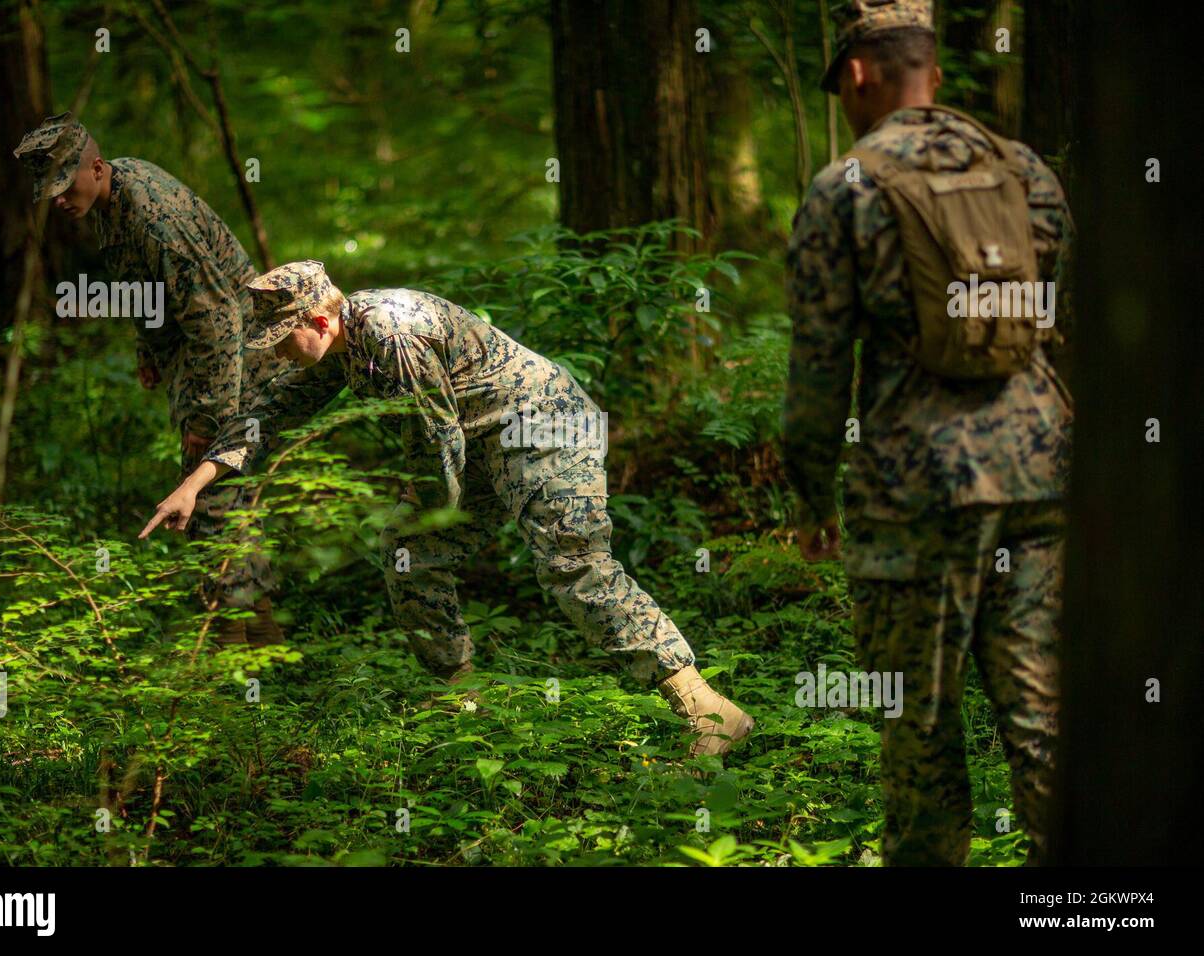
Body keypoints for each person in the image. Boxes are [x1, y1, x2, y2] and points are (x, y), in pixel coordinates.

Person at [140, 261, 754, 757]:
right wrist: (196, 481)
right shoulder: (342, 343)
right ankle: (465, 710)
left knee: (573, 564)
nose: (277, 354)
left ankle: (708, 710)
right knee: (409, 552)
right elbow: (271, 412)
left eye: (282, 341)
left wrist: (426, 504)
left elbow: (435, 440)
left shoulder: (390, 331)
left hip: (544, 426)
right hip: (481, 439)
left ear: (321, 319)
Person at [783, 0, 1075, 862]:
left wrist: (811, 493)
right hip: (1042, 478)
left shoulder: (845, 188)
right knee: (1044, 716)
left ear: (859, 74)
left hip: (920, 494)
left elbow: (819, 365)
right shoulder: (1024, 171)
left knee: (918, 723)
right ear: (934, 73)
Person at [14, 112, 286, 646]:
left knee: (210, 499)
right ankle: (256, 643)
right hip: (201, 358)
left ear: (95, 167)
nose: (59, 200)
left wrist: (207, 421)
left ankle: (241, 650)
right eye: (51, 192)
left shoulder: (153, 218)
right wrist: (150, 348)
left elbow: (217, 319)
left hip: (236, 363)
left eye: (64, 186)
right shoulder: (110, 197)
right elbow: (152, 290)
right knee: (219, 505)